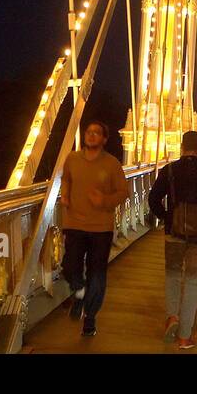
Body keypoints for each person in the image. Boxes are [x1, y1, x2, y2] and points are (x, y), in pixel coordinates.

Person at [147, 130, 197, 349]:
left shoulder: (170, 170)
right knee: (192, 281)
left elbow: (153, 199)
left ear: (181, 147)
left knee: (172, 274)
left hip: (174, 232)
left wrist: (167, 218)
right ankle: (184, 336)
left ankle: (172, 317)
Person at [60, 120, 129, 337]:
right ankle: (79, 291)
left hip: (101, 227)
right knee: (69, 266)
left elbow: (123, 192)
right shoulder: (72, 159)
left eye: (96, 133)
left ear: (104, 139)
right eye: (88, 132)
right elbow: (66, 180)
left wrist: (105, 201)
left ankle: (90, 317)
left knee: (97, 274)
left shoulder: (112, 164)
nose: (91, 136)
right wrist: (65, 193)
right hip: (74, 223)